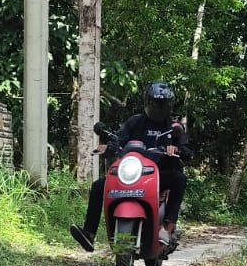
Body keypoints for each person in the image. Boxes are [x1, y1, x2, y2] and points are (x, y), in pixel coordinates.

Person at [71, 82, 191, 252]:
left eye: (162, 104)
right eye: (154, 103)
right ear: (147, 102)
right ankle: (89, 233)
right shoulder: (136, 122)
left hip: (159, 174)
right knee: (98, 186)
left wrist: (177, 149)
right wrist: (108, 146)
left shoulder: (173, 127)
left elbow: (186, 151)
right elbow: (118, 139)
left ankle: (167, 226)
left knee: (179, 179)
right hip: (133, 172)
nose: (158, 108)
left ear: (169, 105)